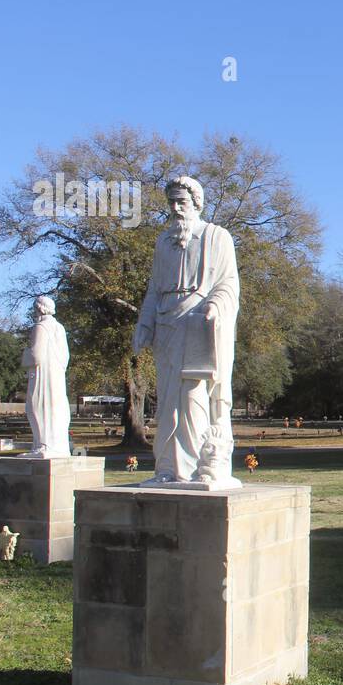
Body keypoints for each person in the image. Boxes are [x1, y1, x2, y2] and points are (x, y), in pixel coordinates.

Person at [133, 175, 240, 486]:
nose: (176, 208)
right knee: (167, 400)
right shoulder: (163, 242)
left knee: (193, 396)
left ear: (197, 203)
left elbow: (228, 283)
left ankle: (194, 467)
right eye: (172, 203)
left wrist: (215, 306)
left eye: (182, 202)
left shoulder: (216, 236)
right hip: (167, 323)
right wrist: (144, 322)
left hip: (198, 324)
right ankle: (167, 468)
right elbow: (153, 288)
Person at [22, 295, 71, 458]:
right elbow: (65, 357)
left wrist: (24, 355)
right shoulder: (60, 328)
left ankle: (44, 445)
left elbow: (36, 356)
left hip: (43, 375)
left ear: (39, 308)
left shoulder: (41, 327)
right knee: (55, 407)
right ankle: (57, 446)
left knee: (38, 406)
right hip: (56, 376)